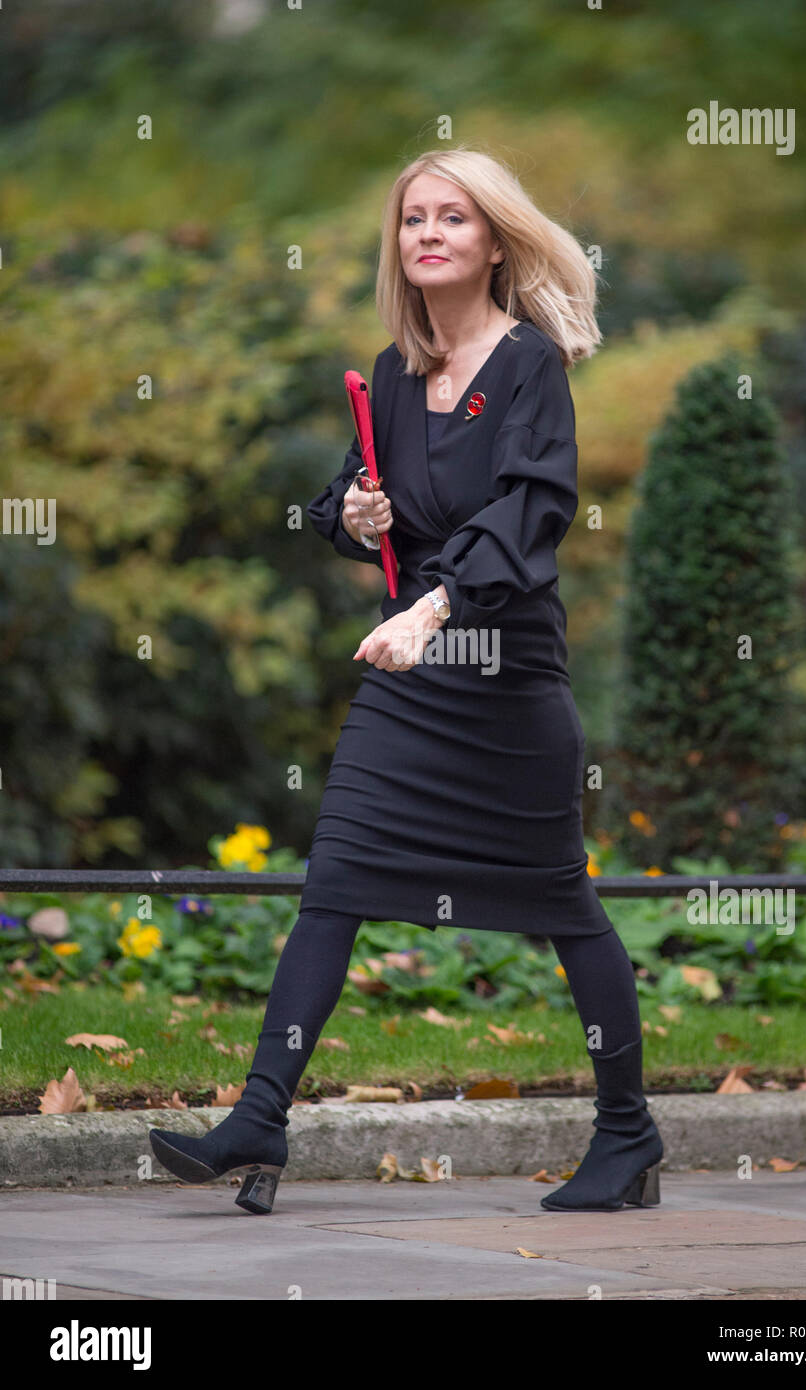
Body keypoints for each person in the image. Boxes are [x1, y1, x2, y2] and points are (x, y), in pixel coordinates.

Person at [150, 147, 663, 1216]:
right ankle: (261, 1114)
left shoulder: (529, 368)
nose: (427, 233)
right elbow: (355, 498)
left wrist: (432, 609)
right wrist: (351, 516)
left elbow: (529, 518)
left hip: (503, 672)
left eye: (452, 218)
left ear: (493, 242)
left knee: (564, 906)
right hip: (408, 673)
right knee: (333, 878)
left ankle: (629, 1136)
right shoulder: (390, 371)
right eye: (412, 218)